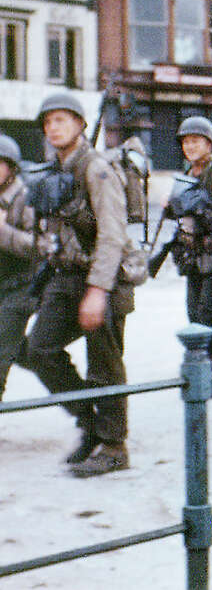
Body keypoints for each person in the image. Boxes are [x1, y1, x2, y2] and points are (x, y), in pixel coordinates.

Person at [24, 93, 137, 476]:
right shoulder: (55, 169)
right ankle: (90, 422)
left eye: (61, 119)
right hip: (67, 275)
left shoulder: (97, 168)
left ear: (80, 124)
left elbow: (112, 235)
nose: (53, 127)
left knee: (104, 361)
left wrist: (98, 290)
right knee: (39, 349)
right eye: (48, 122)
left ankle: (114, 445)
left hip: (104, 278)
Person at [168, 116, 212, 391]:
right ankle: (204, 374)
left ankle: (211, 378)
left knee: (209, 316)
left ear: (209, 143)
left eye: (195, 141)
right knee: (193, 314)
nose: (189, 147)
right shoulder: (186, 176)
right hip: (192, 258)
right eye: (185, 142)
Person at [0, 134, 37, 399]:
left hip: (21, 286)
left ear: (12, 168)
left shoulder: (25, 198)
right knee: (30, 354)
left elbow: (39, 245)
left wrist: (3, 232)